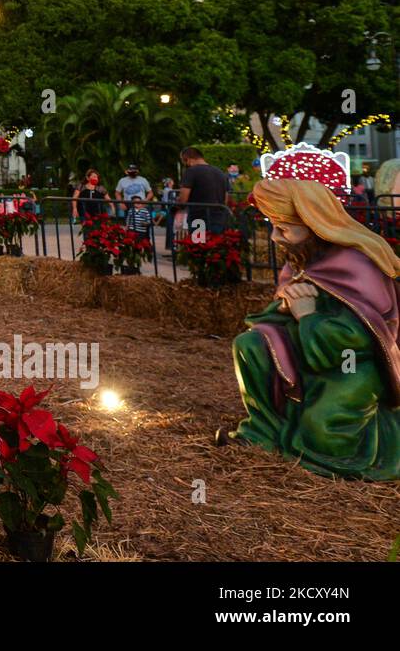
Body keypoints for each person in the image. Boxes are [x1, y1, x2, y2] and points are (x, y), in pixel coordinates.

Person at [221, 176, 400, 479]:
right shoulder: (303, 259)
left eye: (284, 229)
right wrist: (285, 308)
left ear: (315, 226)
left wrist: (307, 316)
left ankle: (371, 445)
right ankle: (265, 431)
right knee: (250, 346)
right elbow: (279, 313)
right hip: (311, 348)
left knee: (323, 430)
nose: (275, 237)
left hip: (355, 364)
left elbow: (357, 339)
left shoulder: (359, 265)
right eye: (274, 227)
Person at [176, 146, 230, 240]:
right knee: (216, 248)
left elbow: (183, 198)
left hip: (198, 218)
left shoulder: (191, 172)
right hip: (219, 218)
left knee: (199, 248)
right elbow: (226, 198)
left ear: (188, 160)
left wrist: (177, 206)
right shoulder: (220, 172)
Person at [160, 176, 179, 252]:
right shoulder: (168, 190)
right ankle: (171, 245)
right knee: (171, 227)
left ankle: (170, 244)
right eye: (171, 182)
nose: (173, 183)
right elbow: (166, 201)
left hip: (171, 209)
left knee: (171, 227)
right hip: (170, 209)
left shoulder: (169, 190)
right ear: (169, 183)